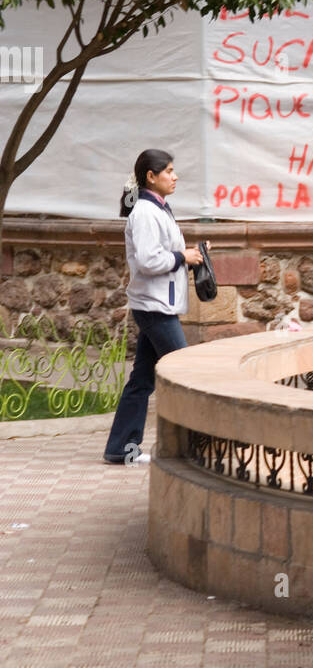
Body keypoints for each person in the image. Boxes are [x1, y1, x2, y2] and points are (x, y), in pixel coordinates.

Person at [103, 149, 205, 466]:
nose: (175, 177)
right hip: (154, 307)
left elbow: (161, 255)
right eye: (169, 171)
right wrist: (182, 257)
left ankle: (121, 448)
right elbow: (148, 261)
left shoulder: (158, 209)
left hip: (158, 303)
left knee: (142, 380)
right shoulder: (145, 213)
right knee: (186, 371)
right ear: (151, 176)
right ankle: (197, 444)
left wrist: (189, 256)